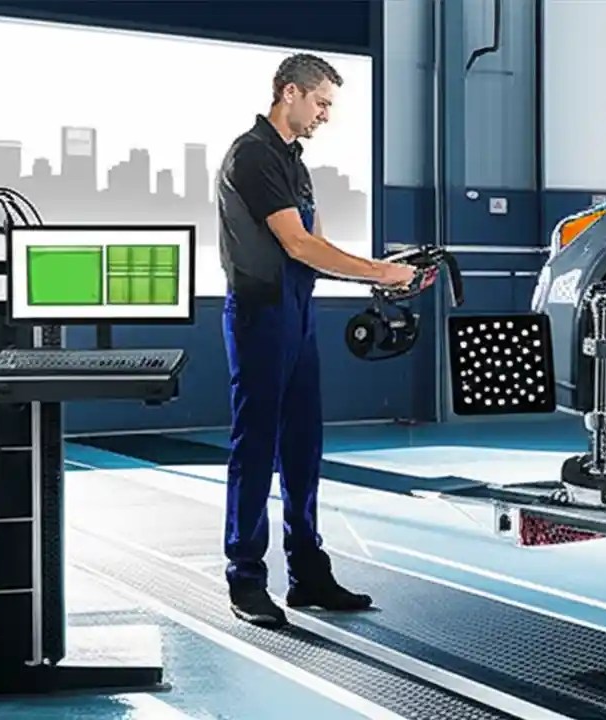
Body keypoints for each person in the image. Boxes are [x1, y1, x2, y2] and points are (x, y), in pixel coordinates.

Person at [215, 53, 422, 627]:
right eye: (321, 103)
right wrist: (382, 272)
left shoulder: (294, 162)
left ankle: (307, 573)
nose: (326, 115)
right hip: (260, 315)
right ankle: (245, 579)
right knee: (256, 447)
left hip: (298, 313)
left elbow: (317, 246)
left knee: (303, 447)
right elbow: (299, 245)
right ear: (291, 93)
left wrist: (381, 272)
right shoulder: (252, 155)